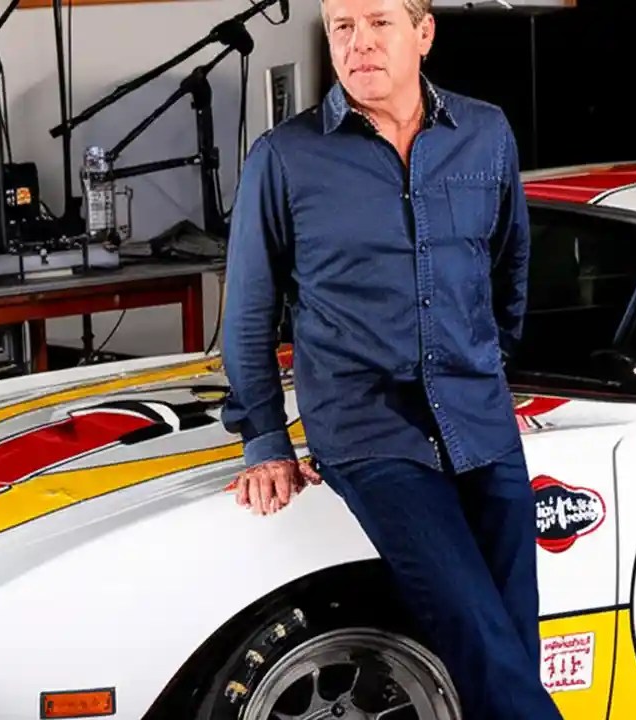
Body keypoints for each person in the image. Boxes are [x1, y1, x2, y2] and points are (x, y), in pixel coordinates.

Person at [219, 0, 562, 717]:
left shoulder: (485, 133)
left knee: (510, 639)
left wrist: (490, 371)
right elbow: (249, 312)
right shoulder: (284, 157)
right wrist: (264, 440)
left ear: (423, 34)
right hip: (368, 430)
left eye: (378, 22)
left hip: (478, 420)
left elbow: (510, 267)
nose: (359, 43)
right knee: (474, 627)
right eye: (342, 27)